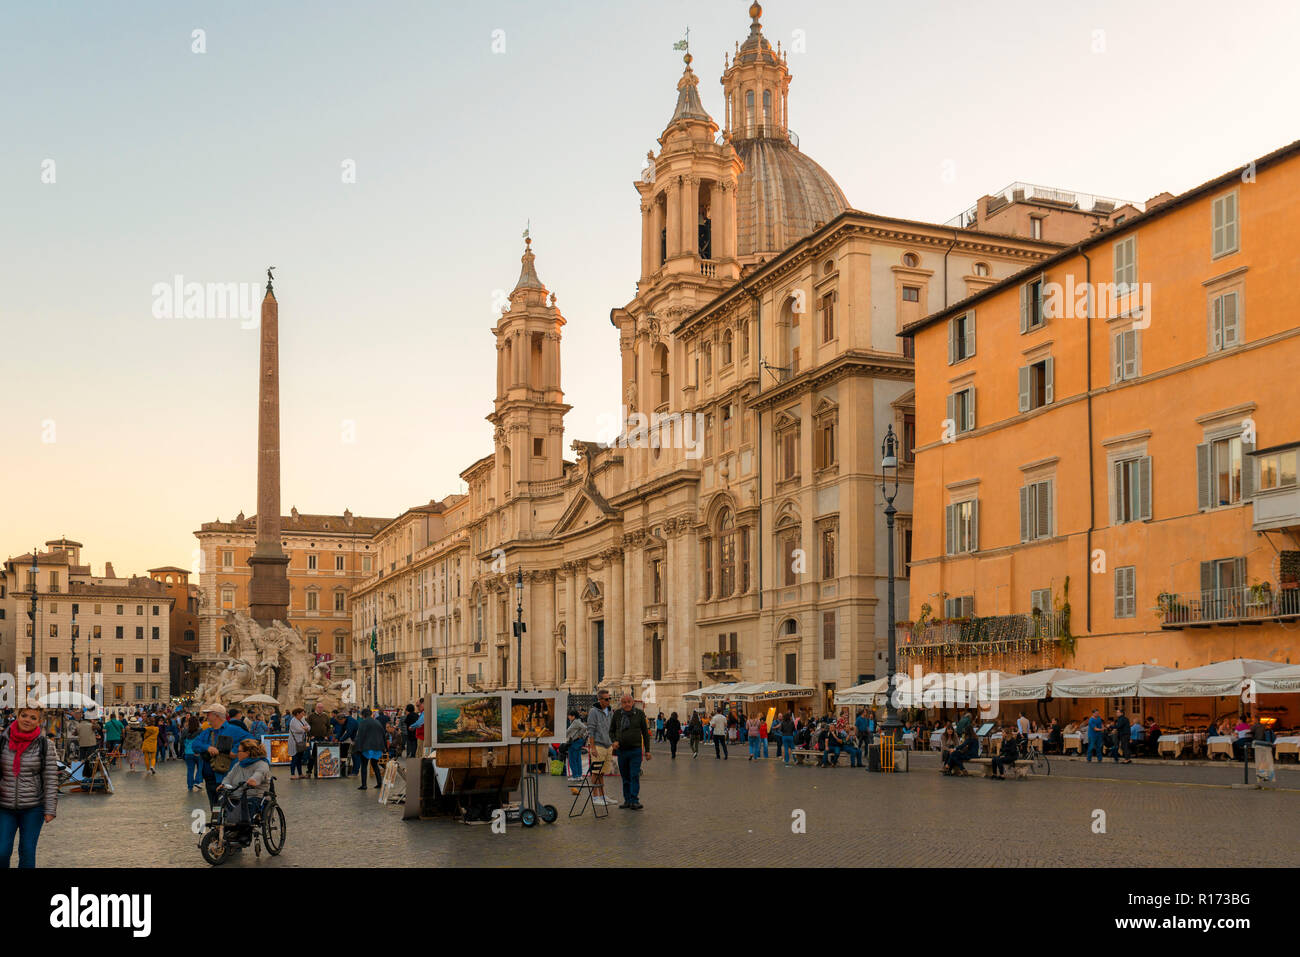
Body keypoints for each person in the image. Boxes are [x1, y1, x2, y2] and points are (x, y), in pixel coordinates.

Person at [0, 706, 58, 868]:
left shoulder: (45, 745)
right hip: (4, 806)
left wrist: (50, 809)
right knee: (2, 851)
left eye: (33, 718)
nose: (27, 720)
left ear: (39, 722)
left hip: (33, 807)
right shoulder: (2, 741)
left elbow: (51, 778)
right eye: (24, 715)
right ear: (17, 716)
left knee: (27, 851)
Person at [191, 704, 258, 806]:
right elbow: (195, 745)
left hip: (226, 775)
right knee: (214, 806)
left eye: (208, 714)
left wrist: (235, 750)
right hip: (209, 777)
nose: (206, 716)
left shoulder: (233, 729)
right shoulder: (208, 732)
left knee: (229, 806)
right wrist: (207, 748)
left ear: (216, 715)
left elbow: (251, 739)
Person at [216, 739, 271, 830]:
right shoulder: (238, 765)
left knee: (247, 808)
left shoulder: (262, 764)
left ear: (248, 752)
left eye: (239, 751)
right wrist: (224, 784)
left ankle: (243, 833)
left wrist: (253, 780)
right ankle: (219, 827)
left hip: (254, 796)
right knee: (221, 800)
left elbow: (260, 773)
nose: (237, 754)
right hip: (237, 795)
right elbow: (229, 777)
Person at [608, 693, 652, 810]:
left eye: (629, 702)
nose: (627, 704)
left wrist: (647, 751)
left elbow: (645, 733)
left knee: (634, 775)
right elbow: (611, 731)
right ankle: (627, 800)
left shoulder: (639, 714)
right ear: (621, 703)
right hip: (622, 751)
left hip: (635, 750)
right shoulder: (617, 714)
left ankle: (634, 800)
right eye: (624, 702)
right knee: (625, 777)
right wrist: (614, 741)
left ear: (632, 703)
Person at [585, 690, 615, 808]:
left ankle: (602, 795)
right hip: (598, 745)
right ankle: (595, 796)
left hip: (608, 745)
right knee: (595, 772)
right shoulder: (593, 712)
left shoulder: (610, 711)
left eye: (609, 699)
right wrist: (592, 747)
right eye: (606, 699)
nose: (609, 701)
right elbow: (591, 730)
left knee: (602, 773)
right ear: (600, 700)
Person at [353, 709, 386, 789]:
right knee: (375, 764)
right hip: (377, 747)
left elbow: (360, 736)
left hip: (367, 747)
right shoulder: (377, 722)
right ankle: (379, 783)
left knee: (364, 765)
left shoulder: (363, 723)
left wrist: (357, 748)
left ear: (363, 715)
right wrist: (384, 747)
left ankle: (364, 785)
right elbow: (383, 734)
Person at [182, 715, 204, 792]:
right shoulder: (200, 730)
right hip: (197, 752)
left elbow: (182, 742)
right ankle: (197, 781)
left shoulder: (185, 731)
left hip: (188, 752)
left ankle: (190, 786)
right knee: (200, 768)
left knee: (190, 770)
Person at [287, 708, 310, 780]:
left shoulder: (302, 719)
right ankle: (292, 774)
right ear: (297, 714)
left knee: (300, 758)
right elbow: (299, 730)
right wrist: (304, 728)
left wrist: (304, 728)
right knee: (294, 758)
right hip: (294, 742)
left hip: (301, 742)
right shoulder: (293, 721)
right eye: (302, 713)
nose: (303, 715)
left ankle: (300, 774)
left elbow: (309, 727)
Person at [564, 710, 587, 780]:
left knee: (572, 759)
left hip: (575, 742)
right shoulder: (576, 721)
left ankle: (575, 776)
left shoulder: (576, 722)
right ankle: (579, 775)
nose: (568, 717)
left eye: (569, 715)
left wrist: (580, 735)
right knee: (577, 759)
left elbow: (584, 727)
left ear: (573, 716)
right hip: (577, 742)